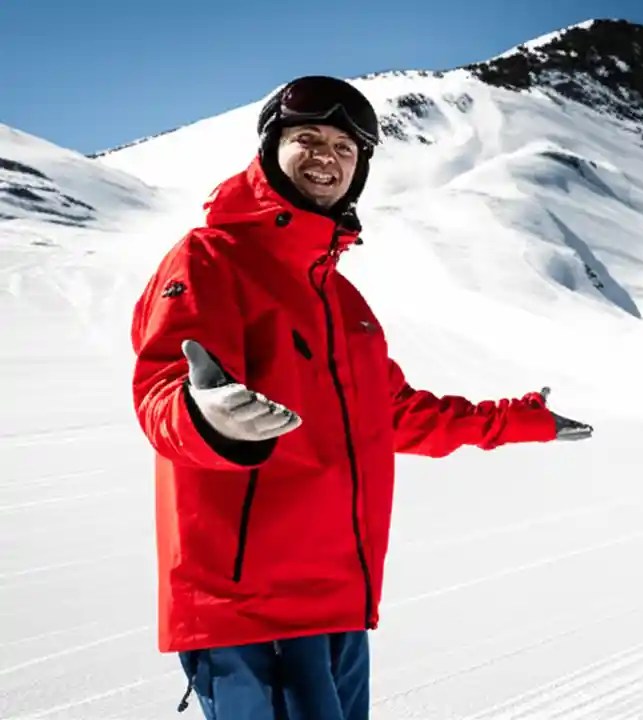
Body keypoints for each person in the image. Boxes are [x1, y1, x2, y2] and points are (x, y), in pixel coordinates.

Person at [129, 75, 593, 720]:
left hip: (339, 599)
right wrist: (204, 417)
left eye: (346, 148)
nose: (328, 157)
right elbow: (162, 389)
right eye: (308, 139)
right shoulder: (211, 258)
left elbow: (400, 414)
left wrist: (522, 421)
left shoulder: (342, 303)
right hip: (249, 607)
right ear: (270, 150)